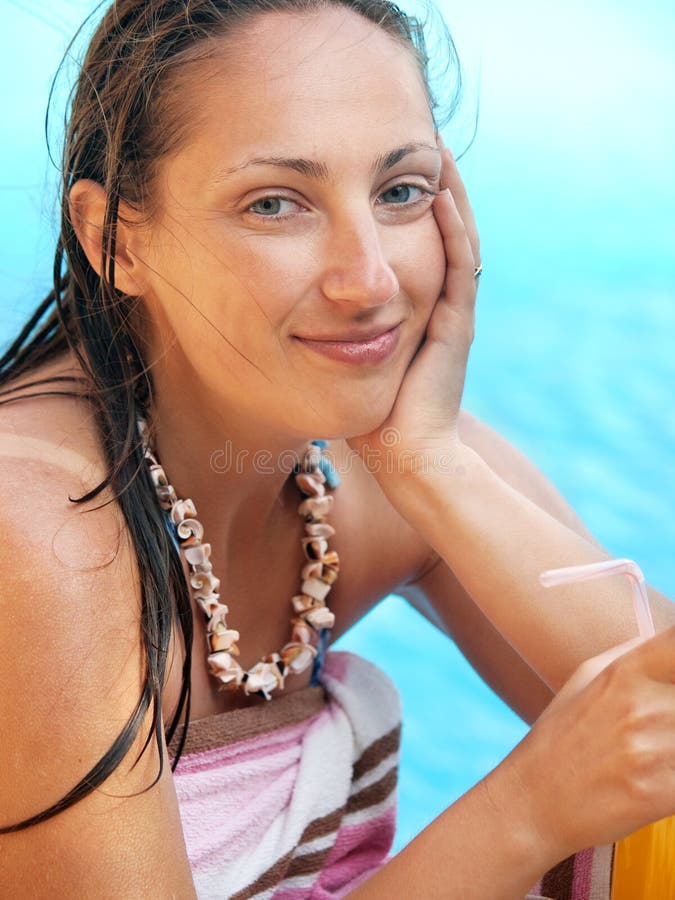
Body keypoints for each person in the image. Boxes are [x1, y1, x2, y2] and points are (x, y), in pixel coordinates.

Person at [1, 1, 674, 897]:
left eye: (400, 191)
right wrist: (529, 810)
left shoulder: (375, 468)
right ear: (112, 238)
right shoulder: (42, 538)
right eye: (275, 203)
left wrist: (429, 466)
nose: (369, 281)